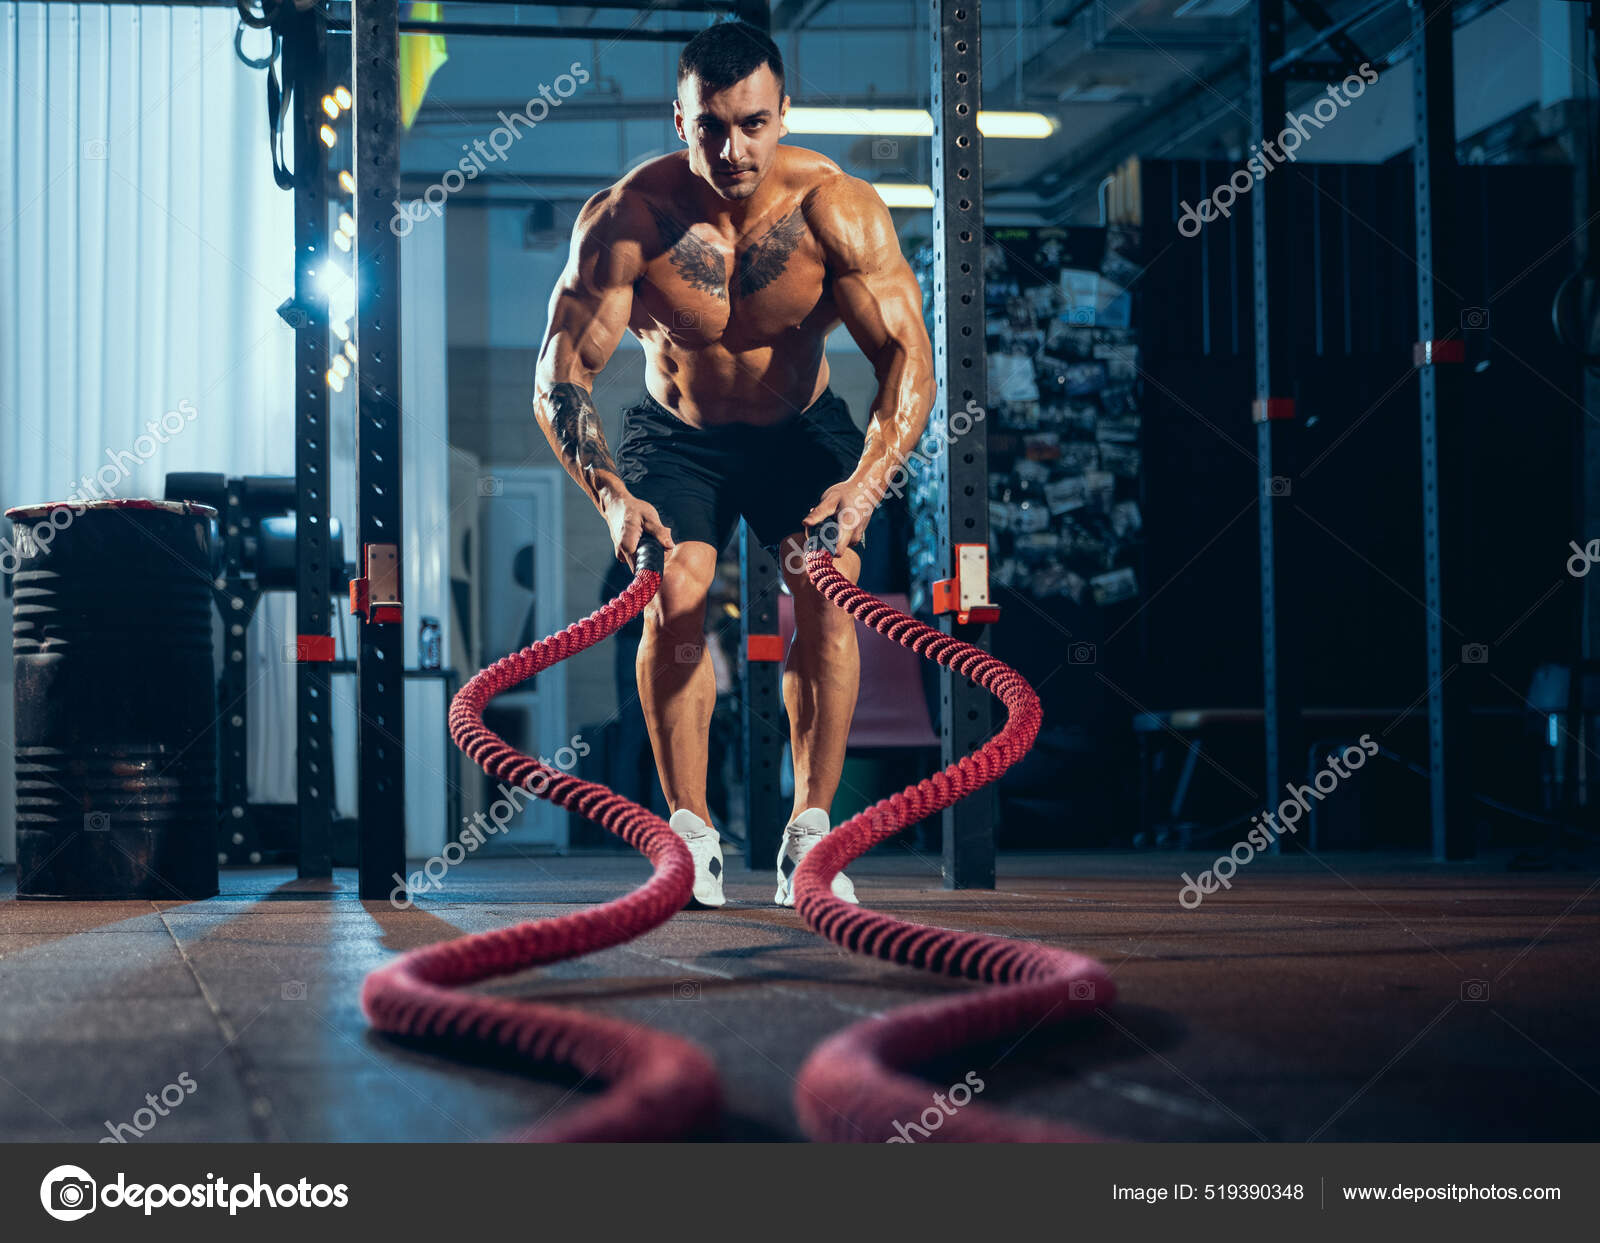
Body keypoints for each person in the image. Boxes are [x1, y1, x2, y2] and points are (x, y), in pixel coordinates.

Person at [532, 20, 934, 907]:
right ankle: (691, 836)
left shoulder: (837, 209)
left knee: (827, 589)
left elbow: (910, 358)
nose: (733, 146)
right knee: (675, 593)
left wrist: (865, 485)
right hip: (679, 435)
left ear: (784, 111)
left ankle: (811, 835)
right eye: (710, 125)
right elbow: (560, 376)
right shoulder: (629, 220)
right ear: (678, 119)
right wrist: (609, 498)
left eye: (753, 122)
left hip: (803, 429)